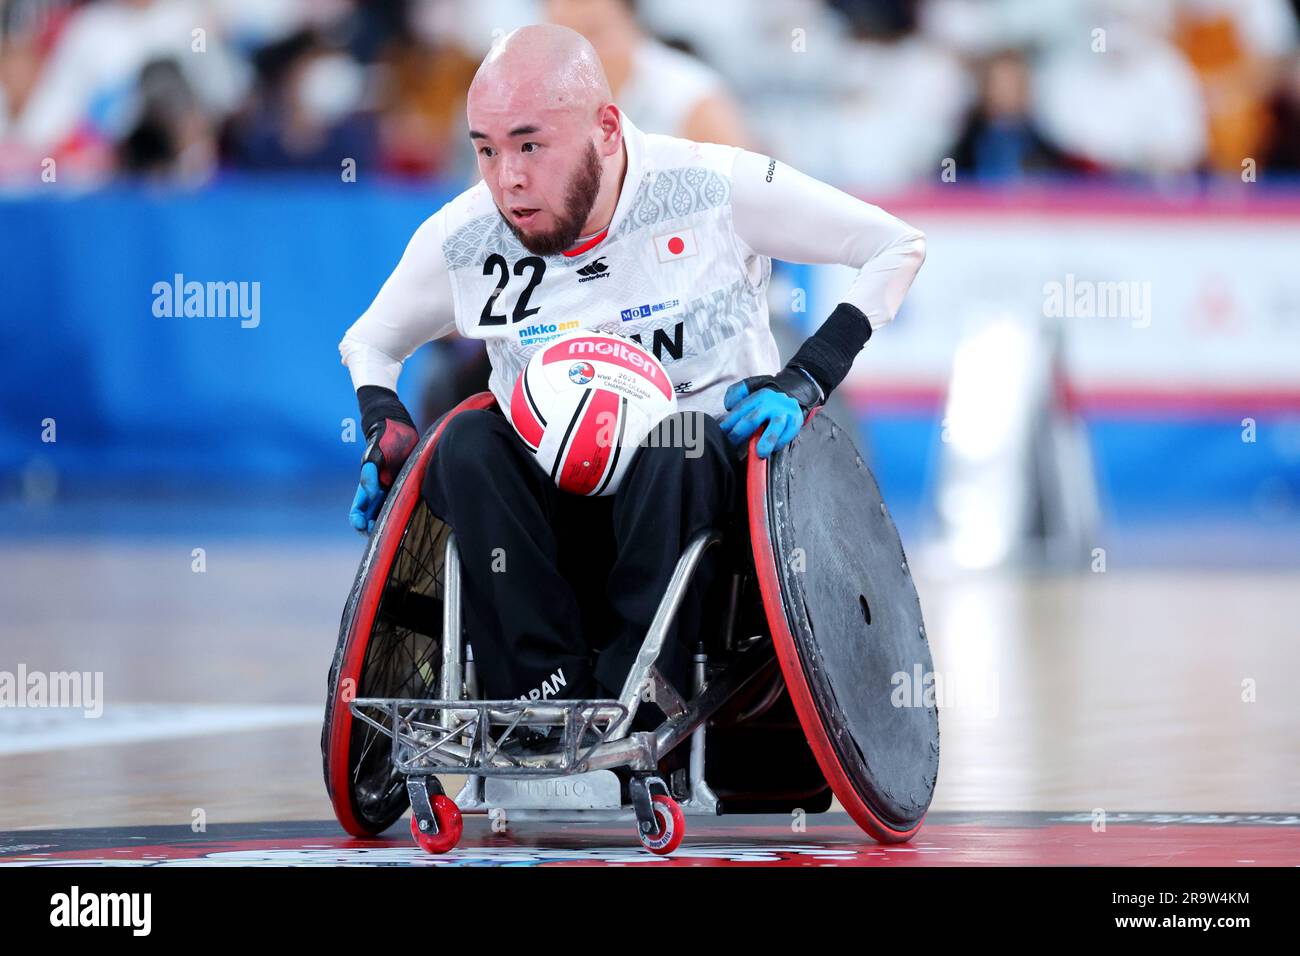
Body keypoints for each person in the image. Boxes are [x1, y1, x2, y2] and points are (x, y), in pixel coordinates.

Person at [338, 24, 925, 712]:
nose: (509, 178)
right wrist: (384, 418)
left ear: (608, 130)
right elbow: (369, 342)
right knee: (464, 443)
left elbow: (894, 245)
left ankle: (637, 701)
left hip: (701, 493)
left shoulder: (711, 185)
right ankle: (539, 698)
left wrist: (805, 379)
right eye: (487, 150)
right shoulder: (464, 235)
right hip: (551, 507)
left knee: (676, 444)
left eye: (531, 145)